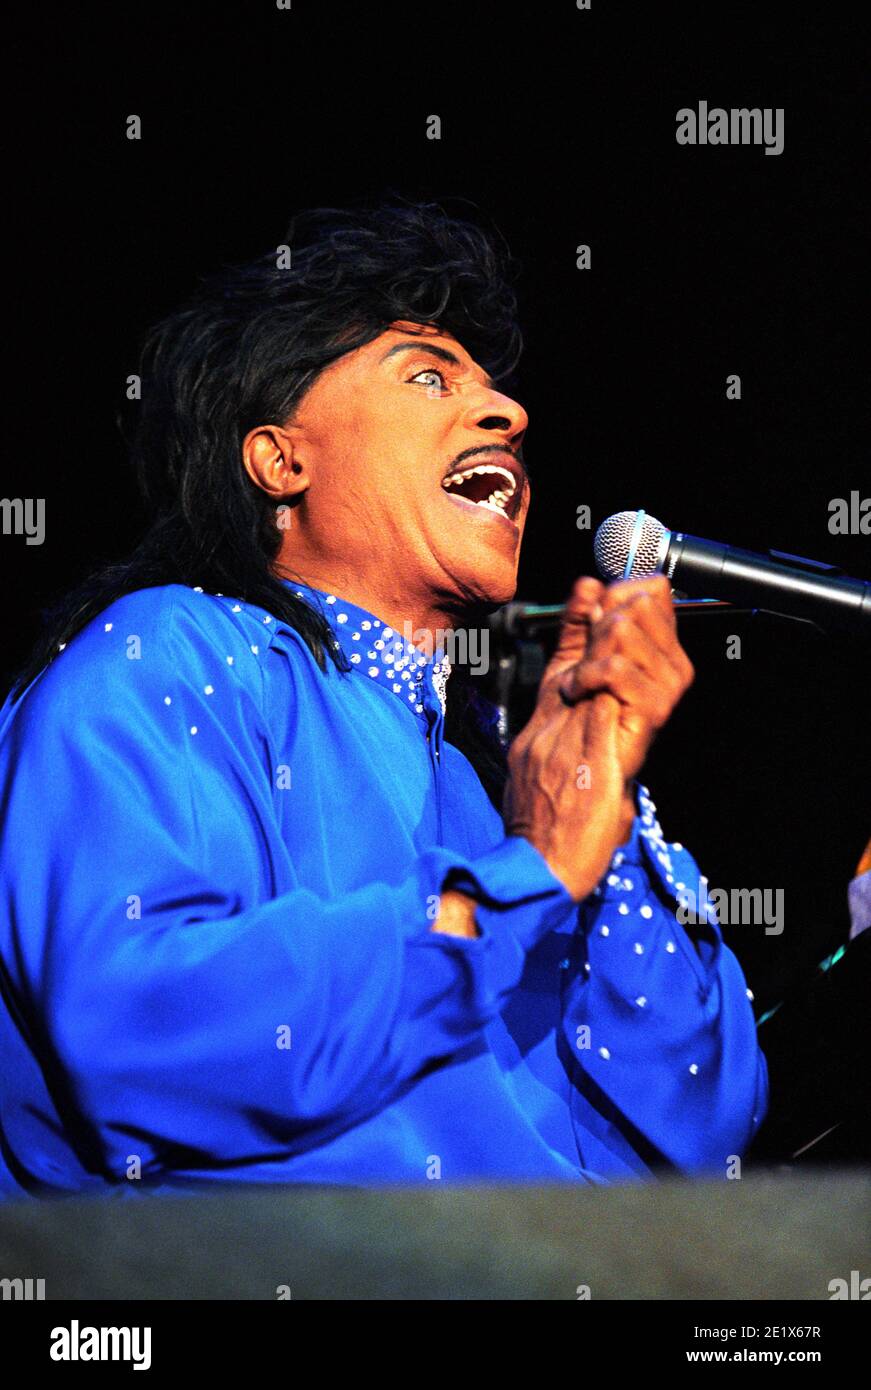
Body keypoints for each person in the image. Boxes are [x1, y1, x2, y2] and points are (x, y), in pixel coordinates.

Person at [0, 198, 766, 1196]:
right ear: (280, 457)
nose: (510, 414)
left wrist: (601, 823)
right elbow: (147, 1039)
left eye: (496, 390)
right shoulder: (167, 656)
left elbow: (706, 1136)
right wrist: (518, 881)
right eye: (426, 376)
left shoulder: (486, 762)